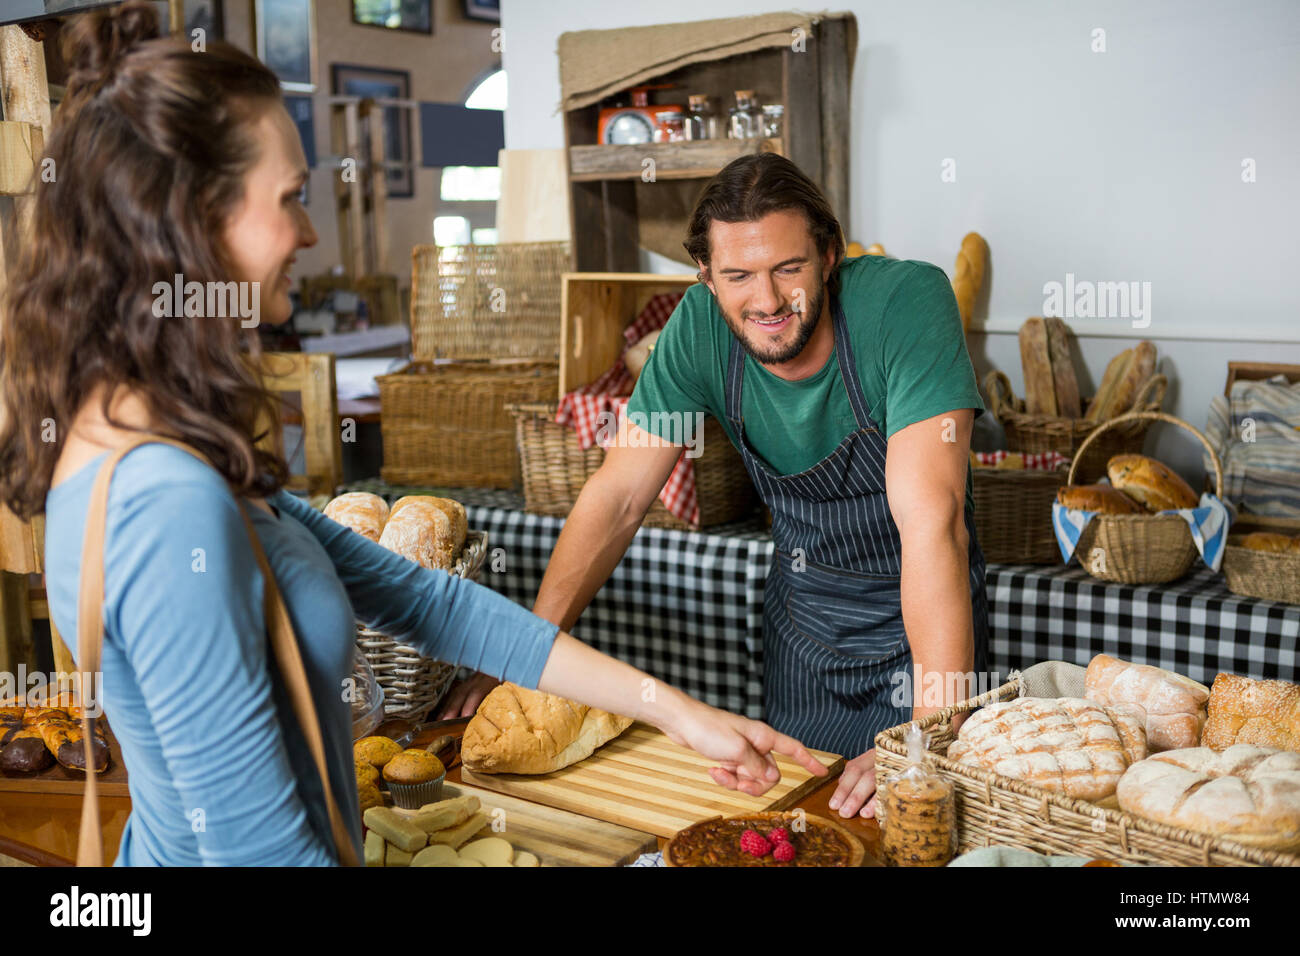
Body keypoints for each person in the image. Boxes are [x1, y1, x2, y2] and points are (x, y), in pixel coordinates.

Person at [0, 3, 825, 866]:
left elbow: (428, 602)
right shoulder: (166, 502)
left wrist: (678, 712)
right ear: (189, 225)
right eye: (290, 199)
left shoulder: (156, 445)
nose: (312, 232)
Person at [441, 152, 991, 821]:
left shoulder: (905, 304)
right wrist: (524, 652)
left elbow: (933, 522)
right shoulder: (697, 331)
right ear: (706, 275)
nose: (766, 301)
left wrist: (928, 737)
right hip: (806, 633)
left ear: (829, 254)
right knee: (805, 829)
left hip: (927, 632)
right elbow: (617, 500)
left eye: (788, 268)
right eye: (737, 276)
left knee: (917, 830)